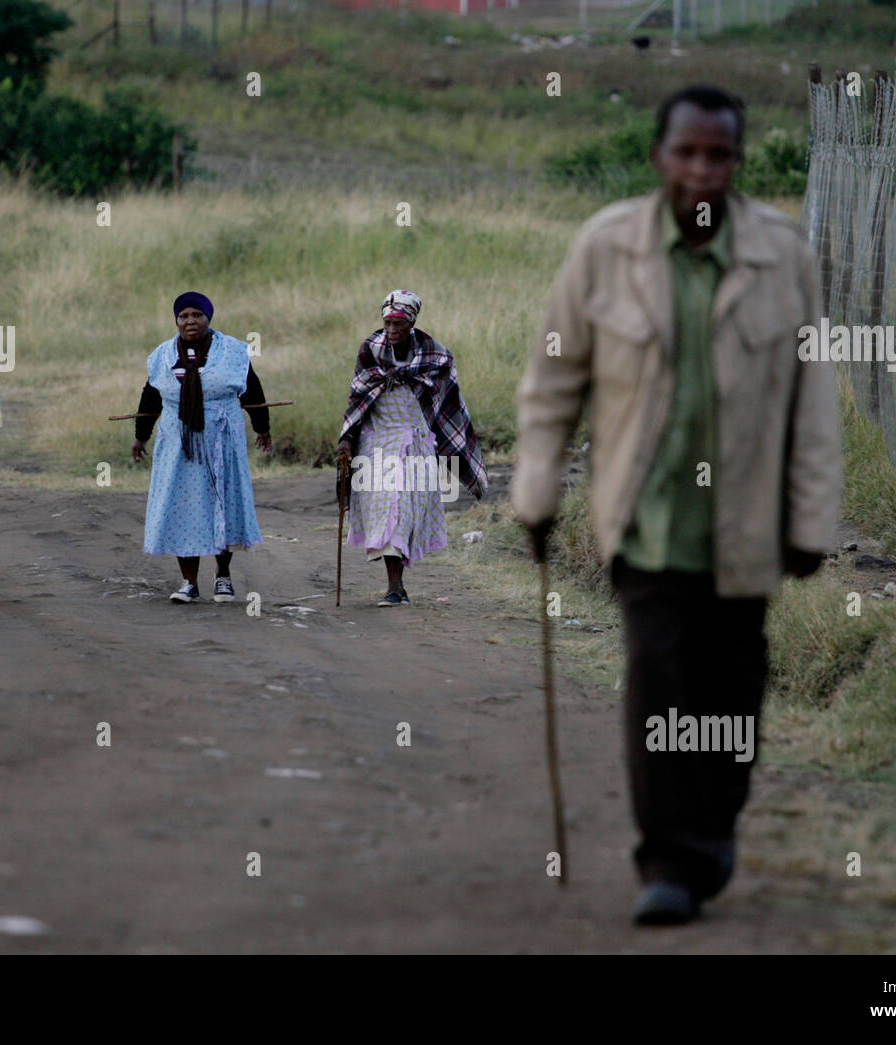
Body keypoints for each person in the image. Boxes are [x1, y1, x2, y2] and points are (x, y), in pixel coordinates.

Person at [512, 86, 842, 926]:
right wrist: (538, 488)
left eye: (718, 154)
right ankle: (668, 857)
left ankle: (713, 825)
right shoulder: (605, 247)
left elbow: (812, 400)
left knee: (732, 688)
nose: (701, 169)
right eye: (686, 152)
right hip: (647, 520)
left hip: (745, 527)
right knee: (660, 684)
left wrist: (812, 521)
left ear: (738, 161)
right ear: (660, 157)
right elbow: (554, 382)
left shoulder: (782, 254)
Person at [335, 290, 487, 606]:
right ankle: (395, 588)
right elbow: (357, 399)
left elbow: (449, 409)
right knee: (387, 506)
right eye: (388, 322)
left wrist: (456, 460)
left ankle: (395, 588)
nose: (392, 330)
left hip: (416, 444)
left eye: (399, 324)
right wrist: (346, 441)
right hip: (376, 443)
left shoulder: (435, 356)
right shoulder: (370, 351)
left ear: (412, 322)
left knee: (402, 506)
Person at [133, 291, 271, 603]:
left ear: (209, 319)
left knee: (222, 502)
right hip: (177, 442)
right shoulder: (162, 356)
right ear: (176, 321)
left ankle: (223, 577)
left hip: (222, 439)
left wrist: (262, 428)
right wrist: (141, 436)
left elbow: (252, 391)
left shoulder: (232, 352)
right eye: (184, 316)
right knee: (181, 506)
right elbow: (151, 398)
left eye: (198, 315)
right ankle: (189, 583)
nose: (191, 321)